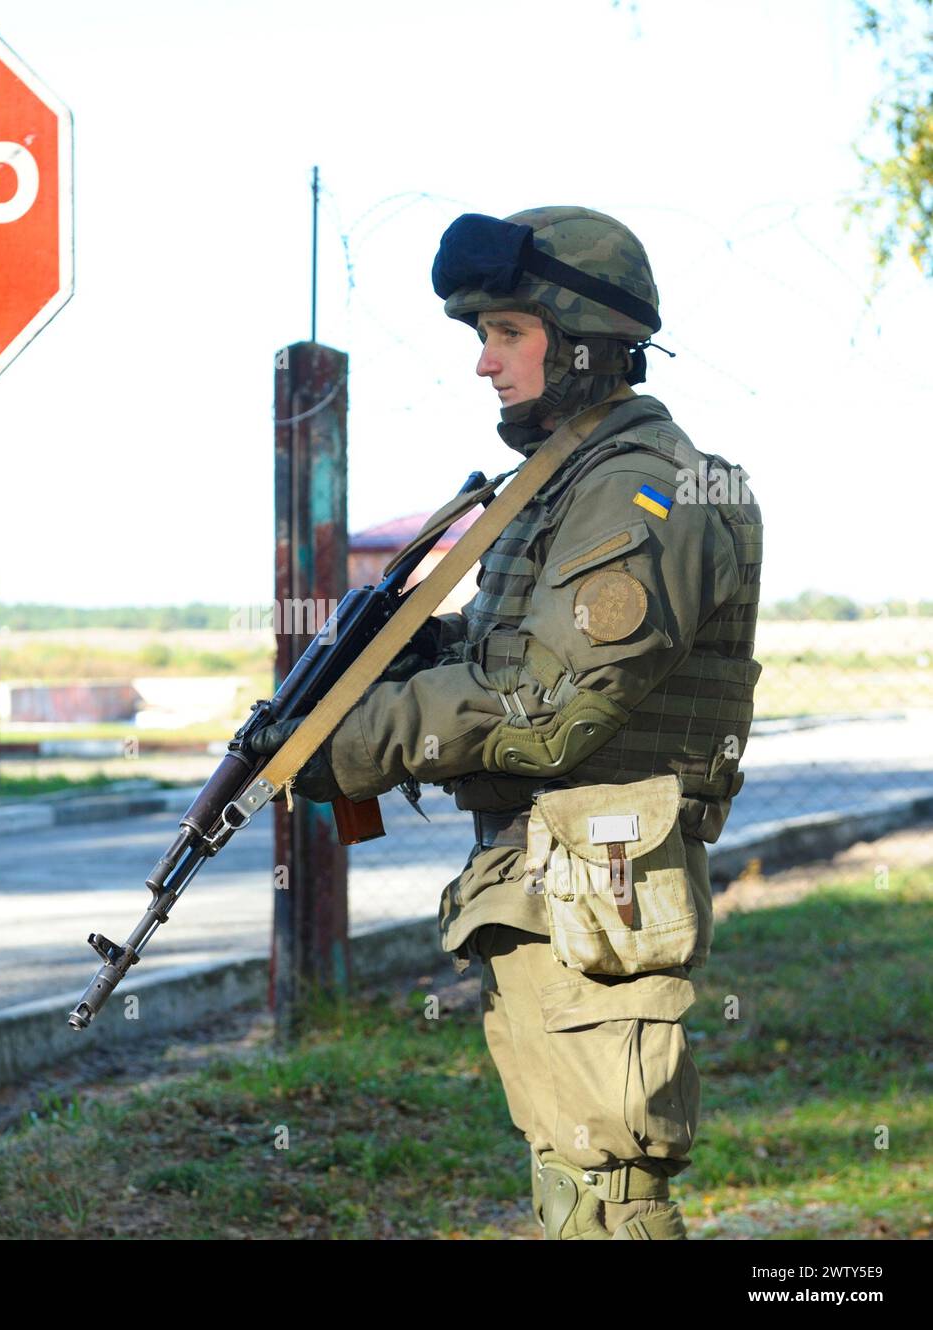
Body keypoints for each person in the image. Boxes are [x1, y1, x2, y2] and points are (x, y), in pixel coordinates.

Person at [249, 205, 763, 1240]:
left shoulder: (641, 488)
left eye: (506, 332)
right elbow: (504, 658)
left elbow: (546, 707)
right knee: (570, 1177)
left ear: (579, 339)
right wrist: (398, 658)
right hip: (555, 878)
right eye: (479, 336)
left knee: (608, 1195)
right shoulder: (568, 477)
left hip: (602, 883)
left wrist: (341, 744)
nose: (484, 362)